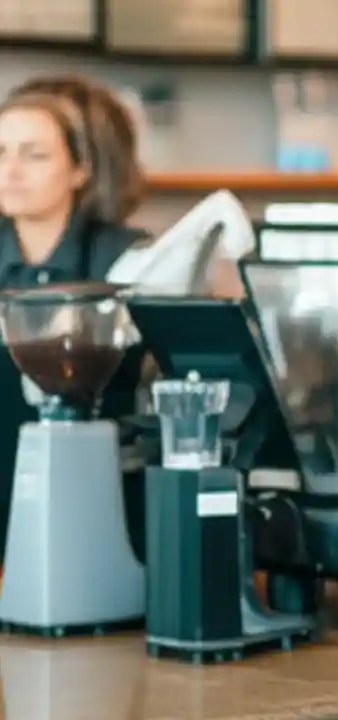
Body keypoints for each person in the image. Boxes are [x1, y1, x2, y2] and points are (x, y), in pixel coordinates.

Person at [0, 75, 150, 560]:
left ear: (80, 169)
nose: (11, 171)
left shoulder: (128, 259)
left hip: (95, 476)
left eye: (35, 155)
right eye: (0, 153)